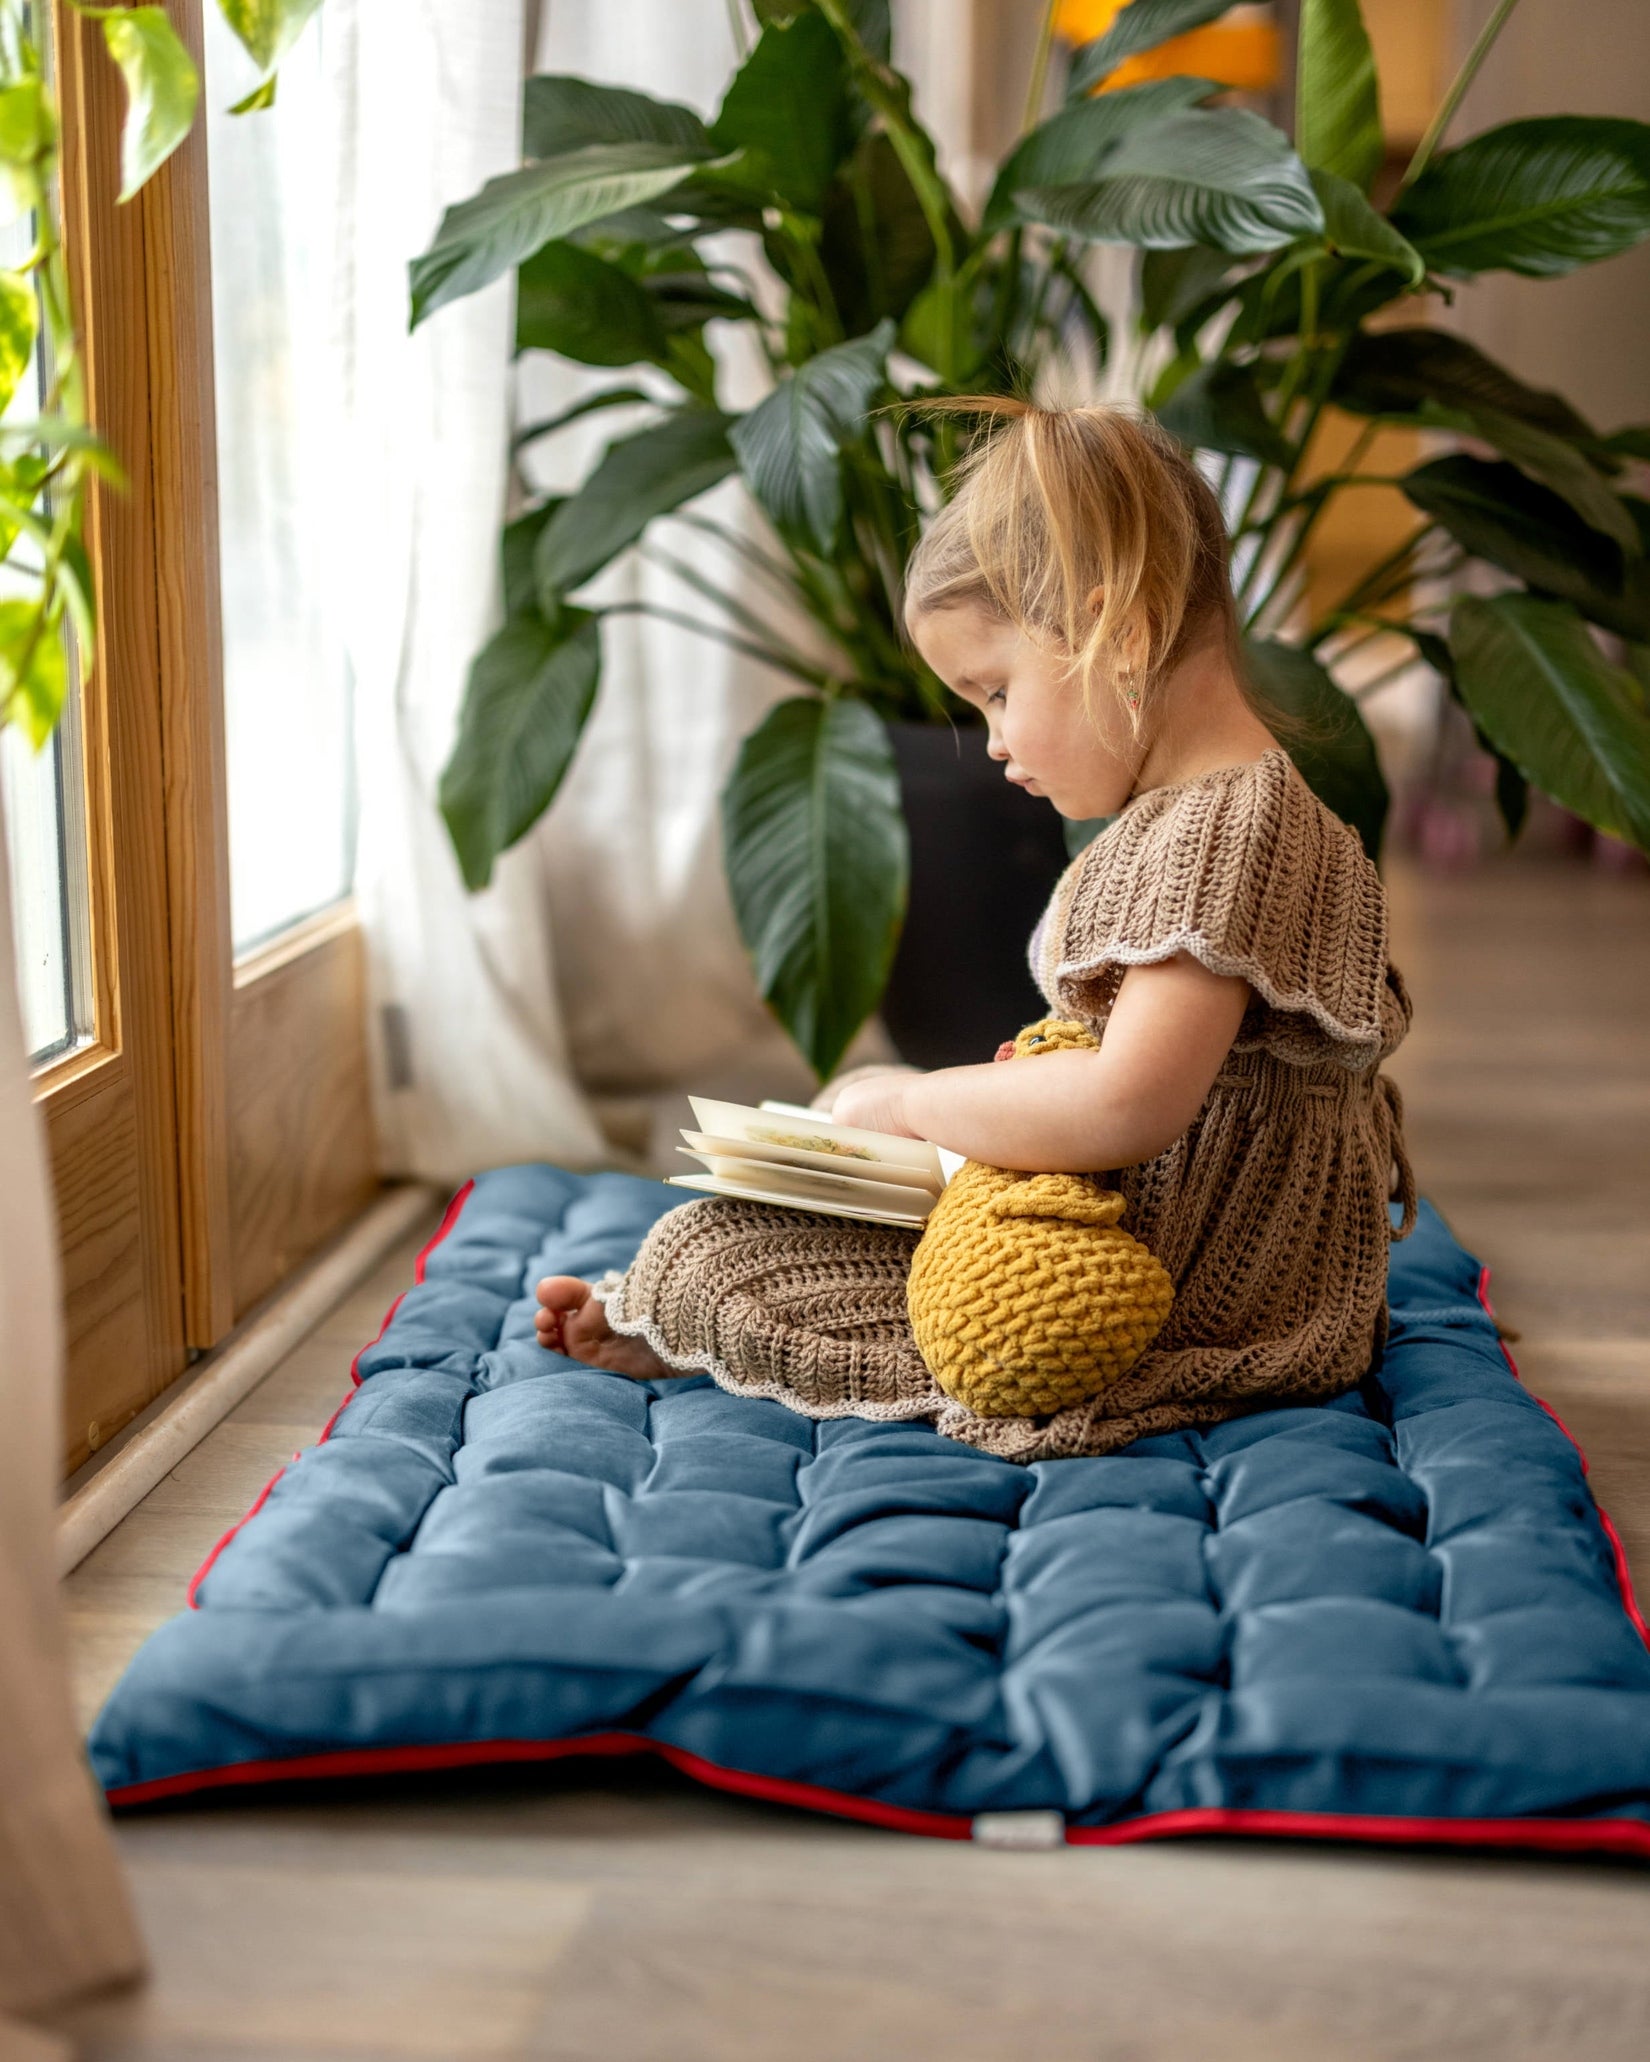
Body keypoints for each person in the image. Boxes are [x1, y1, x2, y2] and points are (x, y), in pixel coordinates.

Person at [534, 398, 1416, 1461]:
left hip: (1190, 1280)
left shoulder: (1226, 836)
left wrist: (910, 1101)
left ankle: (686, 1322)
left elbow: (1127, 1102)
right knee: (767, 1222)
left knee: (721, 1258)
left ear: (1118, 635)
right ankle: (689, 1306)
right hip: (1129, 1219)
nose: (992, 741)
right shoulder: (1204, 814)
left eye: (998, 692)